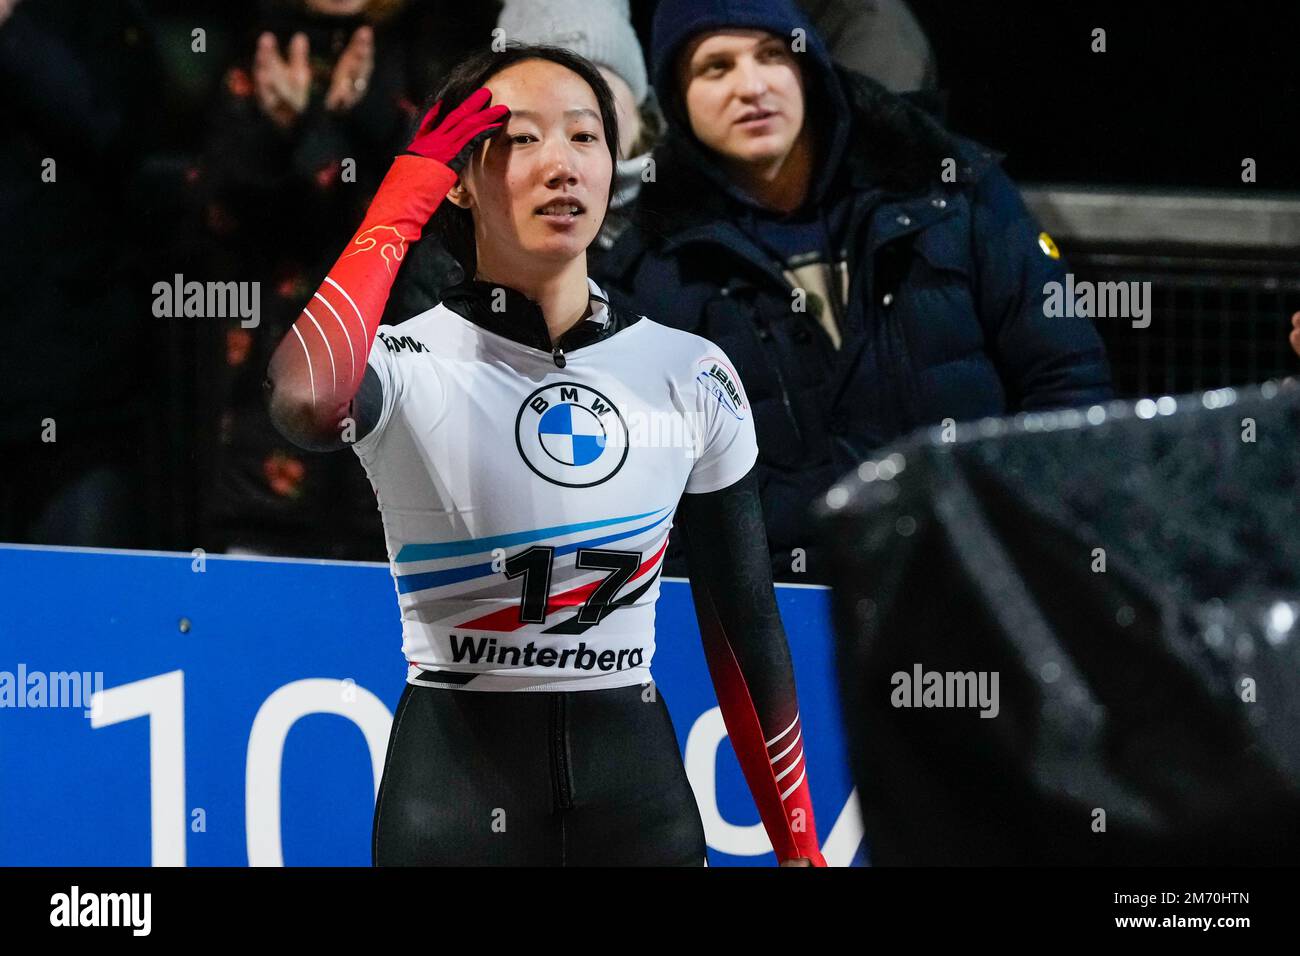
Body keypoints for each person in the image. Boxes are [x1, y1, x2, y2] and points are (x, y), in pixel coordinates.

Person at [263, 44, 827, 866]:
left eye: (585, 136)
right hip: (453, 803)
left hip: (638, 802)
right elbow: (305, 399)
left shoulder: (688, 370)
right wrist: (400, 200)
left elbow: (743, 624)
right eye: (520, 139)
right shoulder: (403, 363)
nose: (561, 165)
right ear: (455, 176)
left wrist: (800, 844)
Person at [598, 0, 1113, 584]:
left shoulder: (948, 189)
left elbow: (1068, 380)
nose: (752, 86)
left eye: (772, 55)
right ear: (677, 100)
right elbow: (647, 490)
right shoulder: (648, 268)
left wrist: (1032, 544)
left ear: (809, 66)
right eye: (716, 67)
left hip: (980, 579)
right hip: (786, 618)